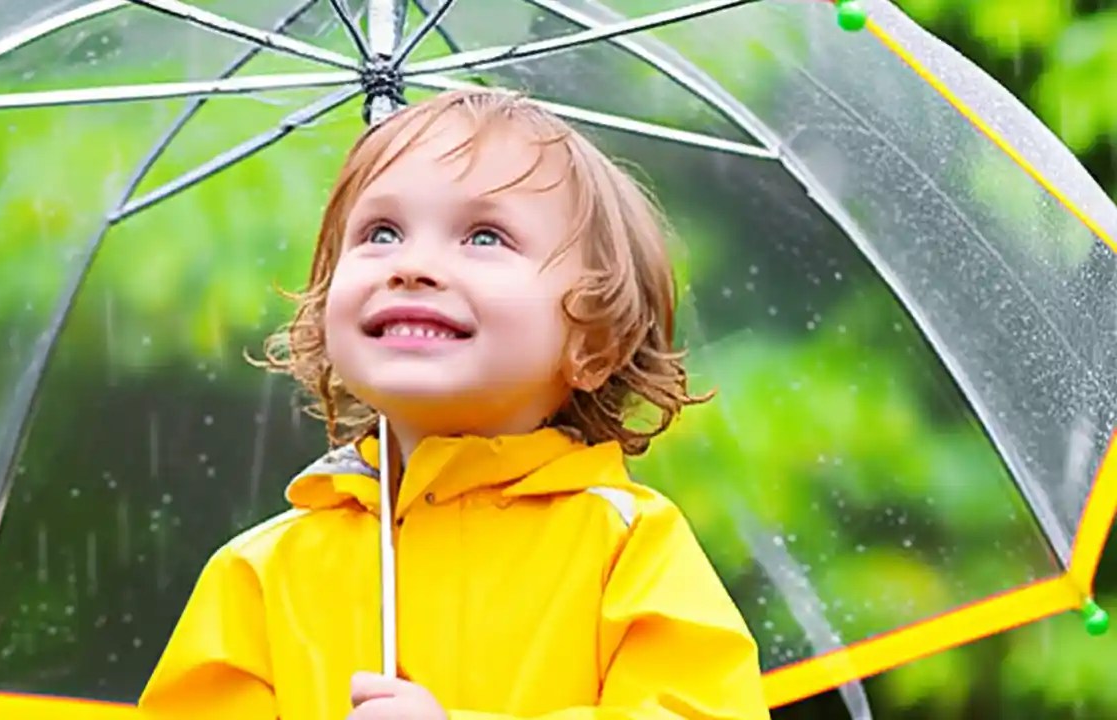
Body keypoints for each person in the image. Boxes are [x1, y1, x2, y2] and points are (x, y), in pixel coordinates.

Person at [138, 88, 771, 720]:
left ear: (595, 342)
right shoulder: (261, 574)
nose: (412, 266)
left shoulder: (625, 545)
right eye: (381, 232)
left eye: (485, 236)